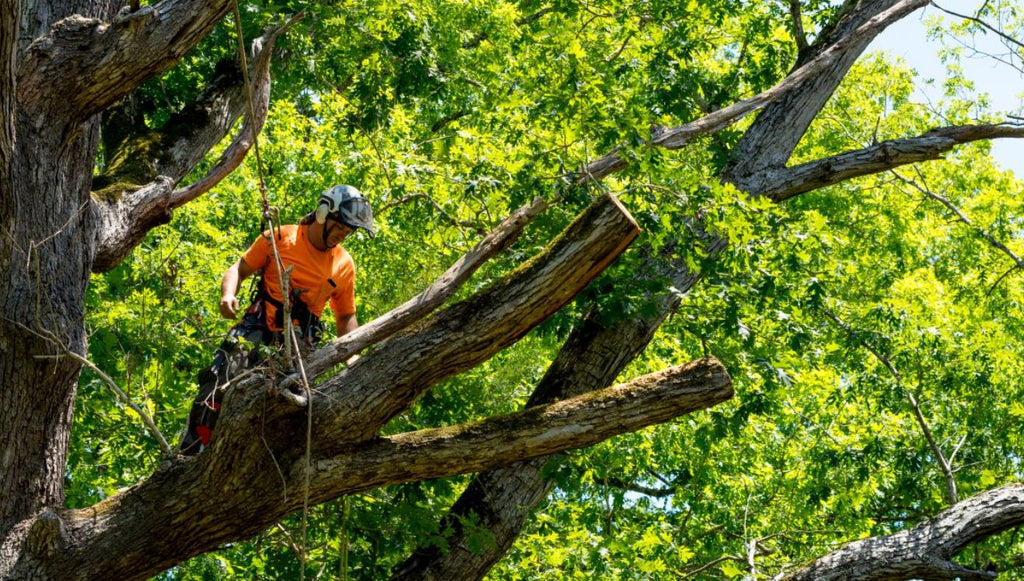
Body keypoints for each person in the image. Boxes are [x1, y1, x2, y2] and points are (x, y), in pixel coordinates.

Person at [179, 185, 375, 456]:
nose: (343, 235)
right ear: (322, 214)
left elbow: (345, 315)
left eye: (348, 232)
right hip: (258, 327)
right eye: (340, 227)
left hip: (299, 345)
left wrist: (352, 356)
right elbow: (239, 268)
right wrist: (227, 295)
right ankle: (191, 451)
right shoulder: (281, 237)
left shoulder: (343, 264)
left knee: (287, 409)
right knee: (218, 382)